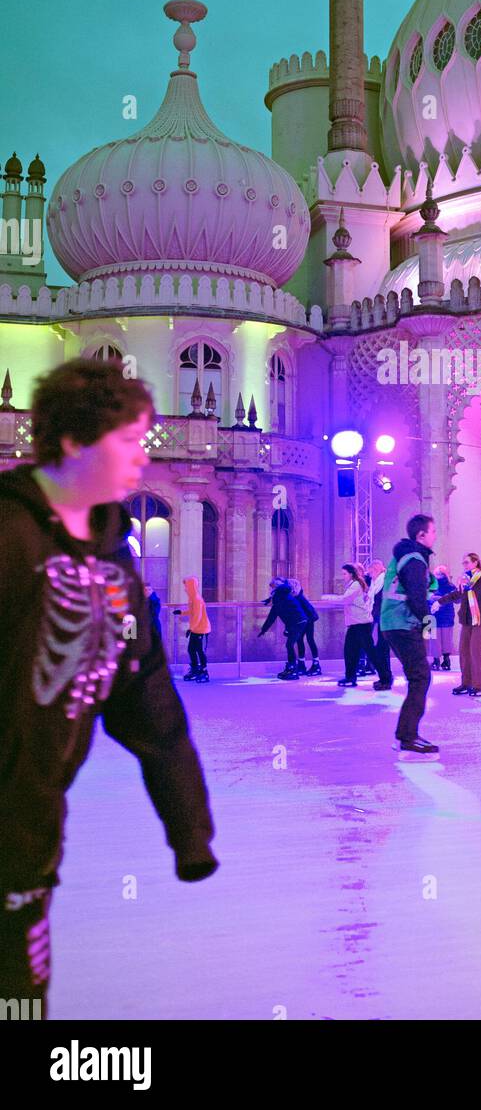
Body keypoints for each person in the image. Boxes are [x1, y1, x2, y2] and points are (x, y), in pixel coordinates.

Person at [0, 358, 217, 1014]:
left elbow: (145, 694)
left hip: (30, 834)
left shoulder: (112, 558)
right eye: (125, 440)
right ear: (72, 441)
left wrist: (189, 830)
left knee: (19, 998)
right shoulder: (8, 536)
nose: (139, 456)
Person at [379, 514, 439, 754]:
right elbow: (416, 597)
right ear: (421, 535)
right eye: (433, 532)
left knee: (419, 677)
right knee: (420, 677)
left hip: (396, 622)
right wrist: (428, 629)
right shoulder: (414, 559)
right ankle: (406, 736)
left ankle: (407, 734)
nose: (435, 536)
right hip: (401, 622)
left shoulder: (408, 556)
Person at [440, 553, 481, 698]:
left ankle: (479, 686)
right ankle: (466, 683)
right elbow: (456, 595)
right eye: (463, 563)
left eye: (467, 562)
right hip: (466, 621)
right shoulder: (465, 582)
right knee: (464, 652)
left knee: (475, 652)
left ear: (475, 563)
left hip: (480, 621)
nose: (464, 565)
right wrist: (439, 602)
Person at [322, 564, 376, 688]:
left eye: (345, 573)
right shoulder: (354, 584)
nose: (343, 576)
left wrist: (328, 597)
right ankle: (350, 677)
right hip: (356, 623)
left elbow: (345, 600)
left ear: (351, 574)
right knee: (351, 651)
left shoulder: (356, 585)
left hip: (361, 624)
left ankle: (384, 676)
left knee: (368, 651)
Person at [259, 578, 308, 679]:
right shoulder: (280, 599)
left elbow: (284, 588)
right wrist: (264, 630)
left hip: (298, 622)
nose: (270, 592)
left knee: (289, 645)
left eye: (272, 589)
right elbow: (271, 618)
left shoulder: (281, 597)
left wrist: (274, 593)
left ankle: (293, 669)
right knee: (289, 645)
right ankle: (291, 667)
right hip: (296, 622)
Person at [365, 560, 393, 692]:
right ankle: (385, 678)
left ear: (376, 570)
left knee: (382, 648)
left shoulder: (385, 582)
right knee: (382, 648)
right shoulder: (376, 583)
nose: (369, 575)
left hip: (386, 620)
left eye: (370, 572)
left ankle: (386, 679)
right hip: (381, 618)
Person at [178, 576, 211, 683]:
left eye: (186, 586)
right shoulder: (192, 598)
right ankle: (195, 669)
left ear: (191, 586)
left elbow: (197, 615)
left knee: (200, 651)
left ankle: (204, 671)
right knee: (191, 649)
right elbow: (192, 612)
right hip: (195, 629)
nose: (185, 589)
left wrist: (190, 629)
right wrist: (182, 613)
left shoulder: (197, 599)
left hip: (202, 630)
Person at [288, 579, 321, 675]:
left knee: (310, 639)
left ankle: (316, 664)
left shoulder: (299, 598)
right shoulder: (296, 597)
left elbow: (310, 611)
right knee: (299, 640)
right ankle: (301, 664)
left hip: (308, 620)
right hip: (303, 621)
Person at [430, 564, 456, 672]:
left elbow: (426, 597)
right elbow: (457, 599)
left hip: (433, 615)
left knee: (434, 639)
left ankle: (436, 661)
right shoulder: (451, 586)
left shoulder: (431, 585)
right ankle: (446, 660)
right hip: (446, 615)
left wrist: (436, 599)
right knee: (446, 639)